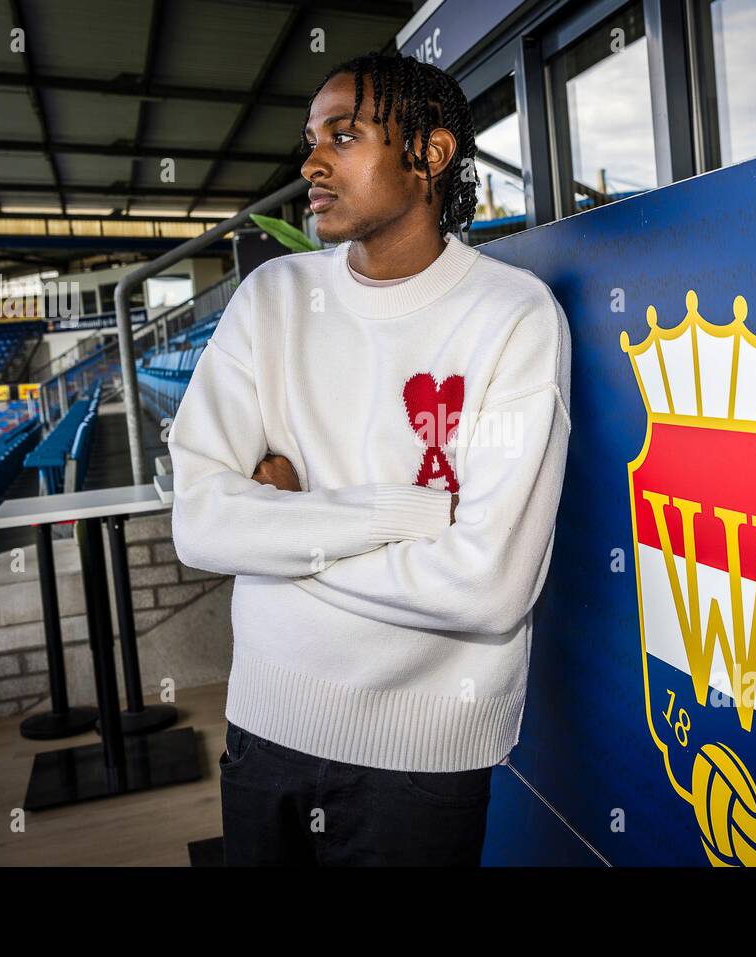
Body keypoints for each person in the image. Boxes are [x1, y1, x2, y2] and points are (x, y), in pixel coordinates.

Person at [168, 51, 572, 866]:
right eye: (311, 139)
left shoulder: (514, 316)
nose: (312, 162)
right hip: (264, 727)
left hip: (425, 755)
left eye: (344, 137)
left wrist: (282, 532)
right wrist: (407, 515)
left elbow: (490, 588)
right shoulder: (271, 299)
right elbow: (201, 524)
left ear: (429, 155)